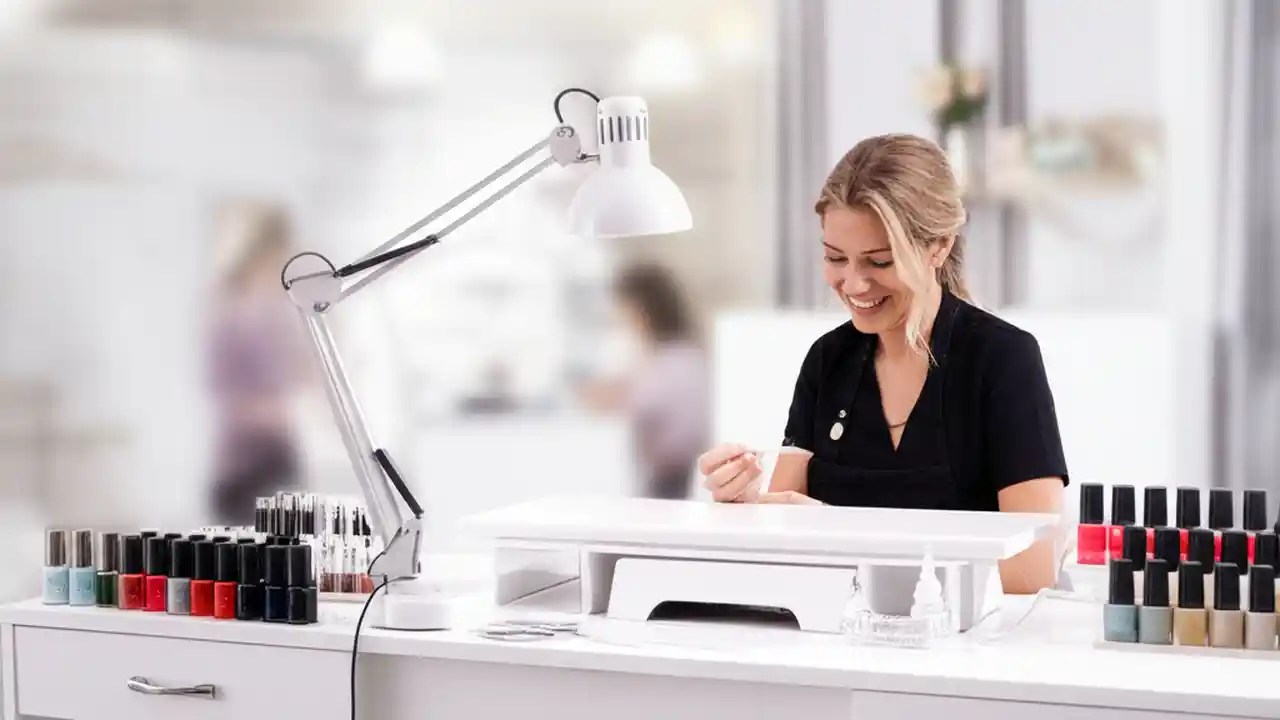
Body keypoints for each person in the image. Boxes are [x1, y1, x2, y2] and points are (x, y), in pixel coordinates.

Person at [698, 134, 1067, 594]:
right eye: (835, 258)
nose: (853, 283)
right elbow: (786, 546)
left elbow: (1032, 570)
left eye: (879, 261)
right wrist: (744, 503)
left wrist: (848, 546)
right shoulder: (827, 361)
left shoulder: (1002, 360)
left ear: (938, 247)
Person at [206, 201, 307, 523]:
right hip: (245, 467)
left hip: (277, 457)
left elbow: (298, 375)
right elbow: (230, 398)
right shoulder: (233, 316)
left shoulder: (277, 313)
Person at [583, 263, 710, 500]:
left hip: (675, 477)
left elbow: (634, 402)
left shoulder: (677, 359)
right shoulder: (666, 356)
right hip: (665, 475)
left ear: (644, 310)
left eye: (625, 309)